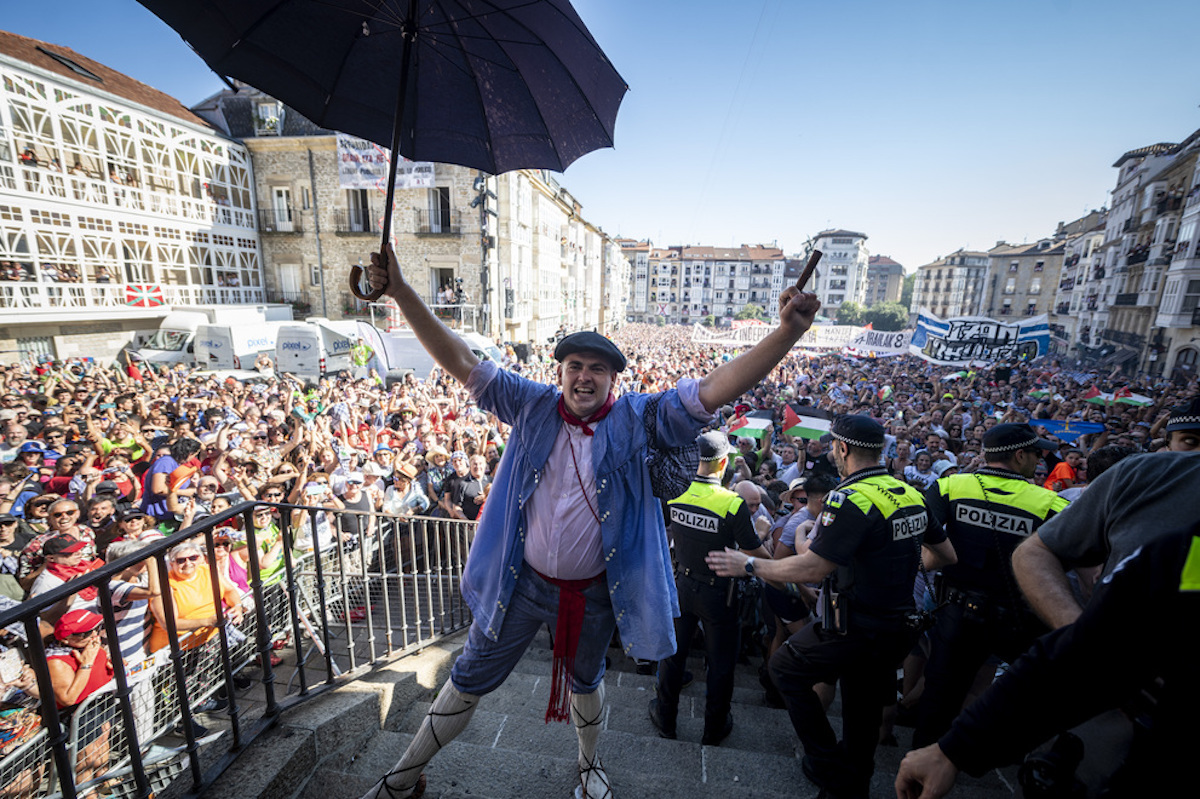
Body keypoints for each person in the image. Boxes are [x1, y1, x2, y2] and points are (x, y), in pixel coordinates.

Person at [357, 243, 820, 799]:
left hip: (598, 592)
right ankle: (403, 778)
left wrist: (787, 333)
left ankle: (588, 767)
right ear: (560, 372)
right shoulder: (529, 404)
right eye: (574, 366)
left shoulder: (640, 418)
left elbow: (714, 388)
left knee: (587, 681)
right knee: (468, 678)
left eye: (596, 369)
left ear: (612, 380)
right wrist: (403, 291)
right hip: (521, 586)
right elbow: (459, 359)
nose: (583, 377)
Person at [706, 415, 956, 799]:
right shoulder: (908, 492)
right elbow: (945, 554)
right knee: (862, 713)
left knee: (785, 668)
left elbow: (813, 566)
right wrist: (895, 566)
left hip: (856, 625)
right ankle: (849, 786)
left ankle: (828, 765)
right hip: (897, 625)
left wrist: (752, 564)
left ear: (842, 449)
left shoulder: (850, 497)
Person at [896, 525, 1200, 799]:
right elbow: (1078, 647)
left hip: (961, 613)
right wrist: (955, 749)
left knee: (941, 685)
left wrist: (953, 751)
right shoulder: (1186, 553)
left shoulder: (1184, 551)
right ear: (1021, 457)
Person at [911, 423, 1070, 748]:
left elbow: (921, 541)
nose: (1039, 461)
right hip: (1018, 619)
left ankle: (919, 769)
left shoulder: (949, 486)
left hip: (955, 613)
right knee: (1034, 690)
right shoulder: (1051, 503)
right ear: (1020, 455)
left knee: (938, 698)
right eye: (1037, 454)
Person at [648, 431, 769, 744]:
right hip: (719, 593)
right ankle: (713, 728)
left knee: (672, 656)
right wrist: (767, 545)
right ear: (724, 462)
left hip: (681, 584)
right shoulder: (731, 503)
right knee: (720, 663)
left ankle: (666, 720)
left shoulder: (674, 492)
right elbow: (755, 551)